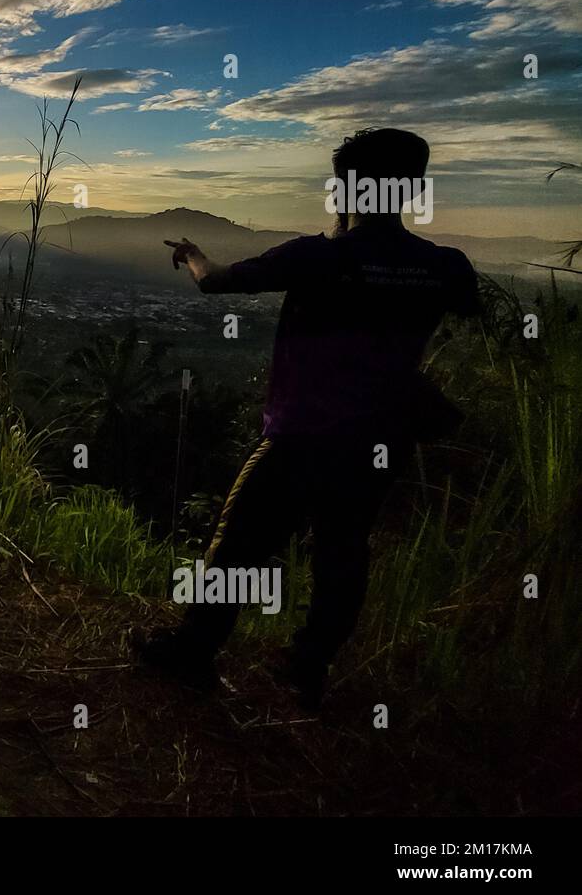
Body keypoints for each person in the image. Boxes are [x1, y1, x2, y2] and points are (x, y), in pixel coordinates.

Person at [141, 128, 480, 708]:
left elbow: (218, 283)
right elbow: (465, 317)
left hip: (304, 436)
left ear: (346, 187)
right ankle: (306, 668)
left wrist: (192, 254)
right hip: (379, 444)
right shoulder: (446, 267)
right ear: (412, 190)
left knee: (241, 542)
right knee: (343, 549)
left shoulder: (319, 257)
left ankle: (193, 652)